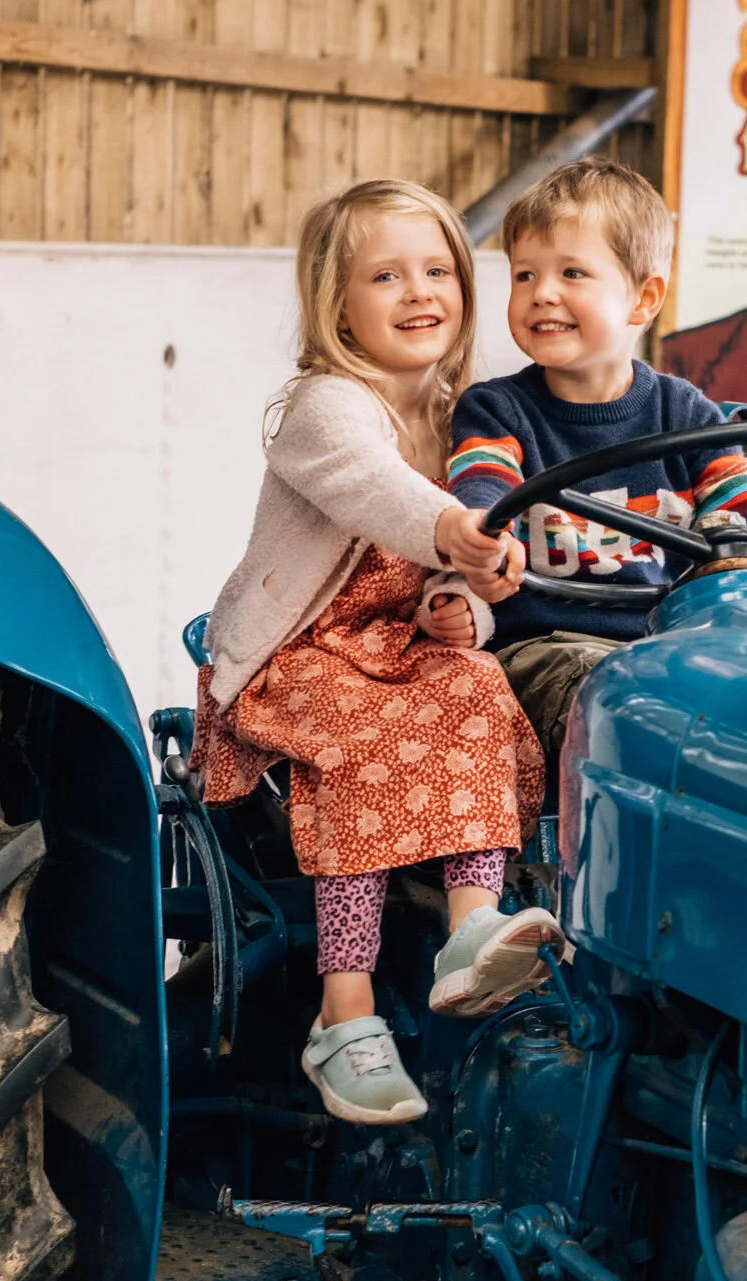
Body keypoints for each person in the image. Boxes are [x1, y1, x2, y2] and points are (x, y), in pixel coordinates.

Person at [192, 178, 568, 1128]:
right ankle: (344, 1012)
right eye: (387, 276)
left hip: (399, 649)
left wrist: (464, 614)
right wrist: (459, 530)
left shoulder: (467, 416)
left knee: (481, 689)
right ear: (338, 306)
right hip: (298, 657)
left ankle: (471, 928)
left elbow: (460, 583)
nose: (419, 292)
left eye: (437, 269)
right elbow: (378, 495)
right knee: (364, 744)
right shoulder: (325, 407)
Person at [436, 159, 747, 782]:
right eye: (525, 274)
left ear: (642, 299)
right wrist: (482, 530)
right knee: (606, 696)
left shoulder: (685, 413)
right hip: (543, 651)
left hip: (672, 650)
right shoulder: (497, 407)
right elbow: (485, 478)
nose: (542, 292)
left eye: (572, 272)